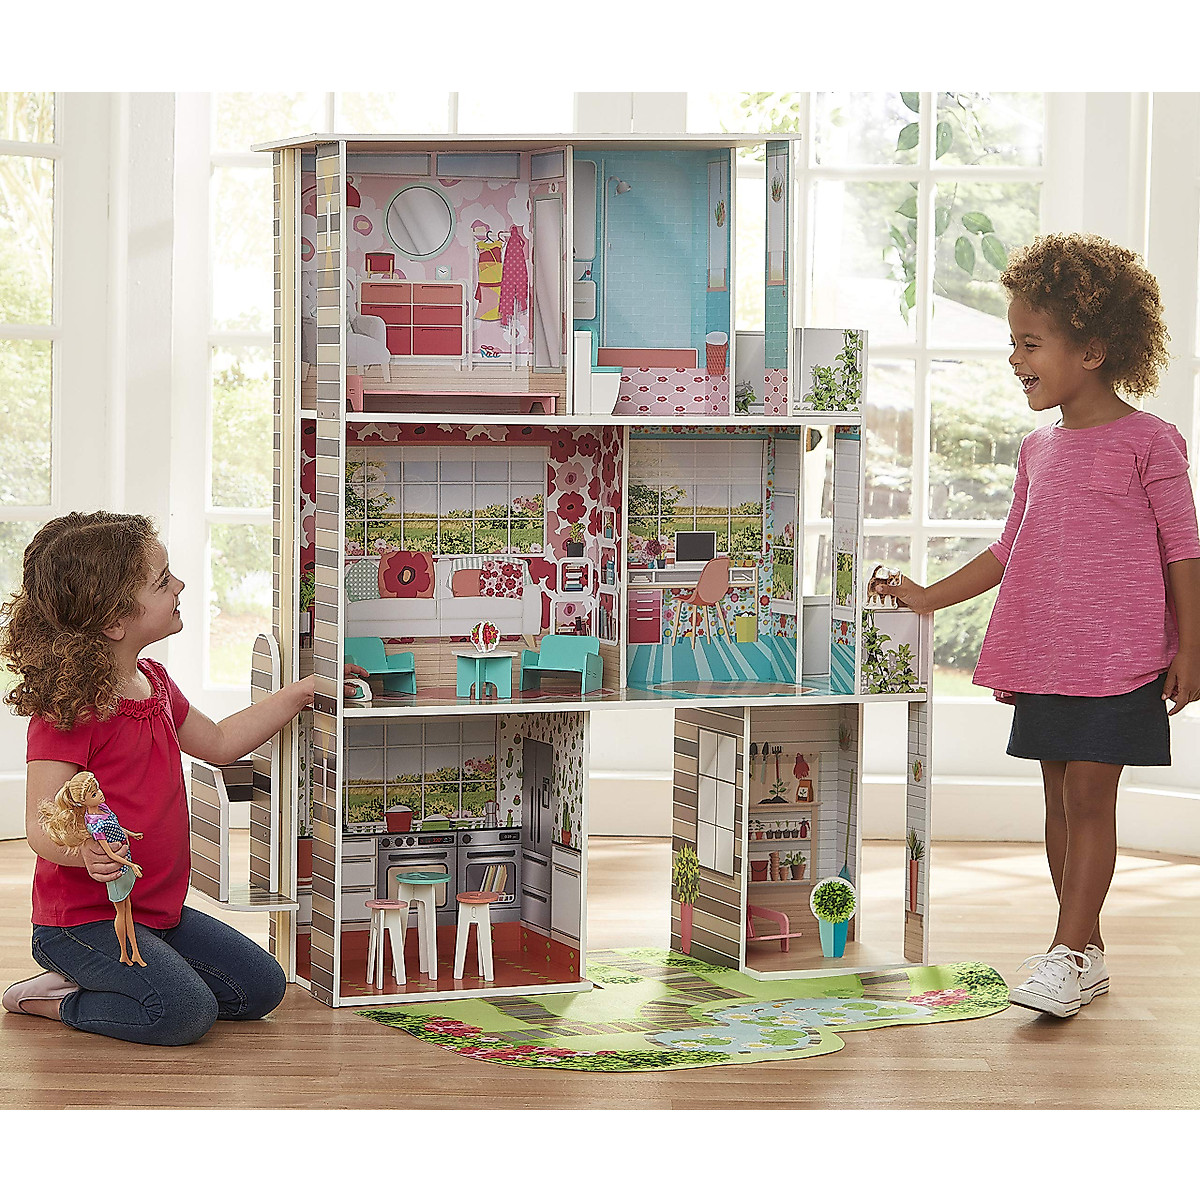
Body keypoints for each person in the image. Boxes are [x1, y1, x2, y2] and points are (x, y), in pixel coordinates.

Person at [874, 233, 1200, 1019]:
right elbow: (1007, 550)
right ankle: (1082, 951)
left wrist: (1193, 646)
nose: (1015, 359)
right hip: (1049, 657)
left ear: (1091, 349)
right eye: (1013, 342)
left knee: (1090, 799)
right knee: (1057, 802)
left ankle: (1065, 950)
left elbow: (1184, 549)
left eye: (1030, 343)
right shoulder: (1037, 449)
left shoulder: (1150, 441)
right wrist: (928, 596)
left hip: (1121, 659)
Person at [0, 512, 367, 1044]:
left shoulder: (154, 683)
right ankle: (56, 997)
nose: (180, 585)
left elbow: (219, 742)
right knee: (184, 1013)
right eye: (161, 581)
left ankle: (132, 977)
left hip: (157, 912)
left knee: (262, 988)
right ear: (114, 621)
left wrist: (301, 692)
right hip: (81, 923)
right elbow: (40, 826)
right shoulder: (68, 711)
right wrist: (85, 853)